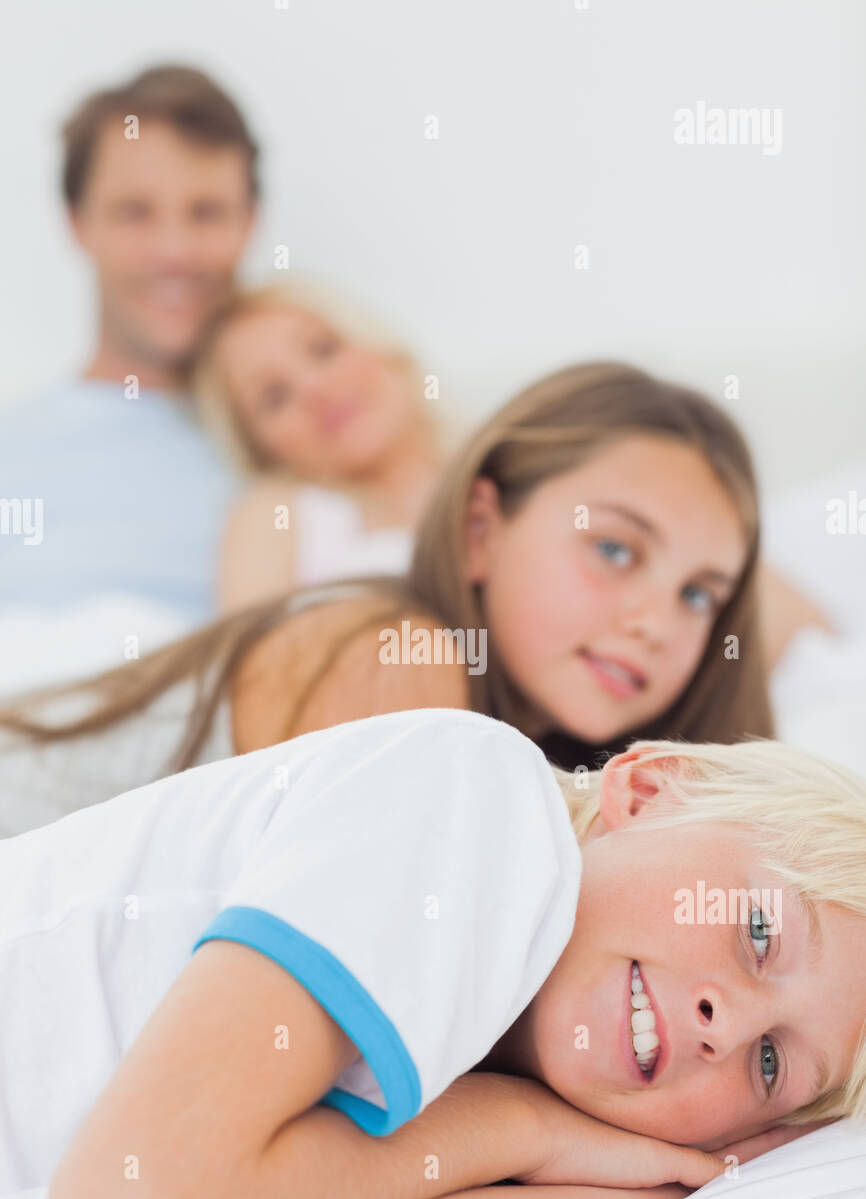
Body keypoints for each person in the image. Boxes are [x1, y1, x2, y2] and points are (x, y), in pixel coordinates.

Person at [0, 707, 857, 1199]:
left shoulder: (505, 1080)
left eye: (771, 1063)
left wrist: (672, 1186)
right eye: (758, 931)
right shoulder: (477, 807)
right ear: (649, 790)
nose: (730, 1026)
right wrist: (522, 1129)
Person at [0, 362, 774, 837]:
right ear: (479, 529)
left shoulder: (540, 774)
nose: (656, 624)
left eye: (700, 595)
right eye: (614, 549)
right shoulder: (393, 655)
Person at [0, 65, 258, 620]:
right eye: (134, 213)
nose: (174, 250)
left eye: (206, 212)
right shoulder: (11, 451)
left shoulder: (313, 434)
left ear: (250, 224)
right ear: (77, 223)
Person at [193, 282, 450, 608]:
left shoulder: (506, 459)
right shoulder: (277, 514)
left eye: (323, 350)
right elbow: (254, 653)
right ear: (262, 449)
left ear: (385, 351)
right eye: (275, 397)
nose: (315, 389)